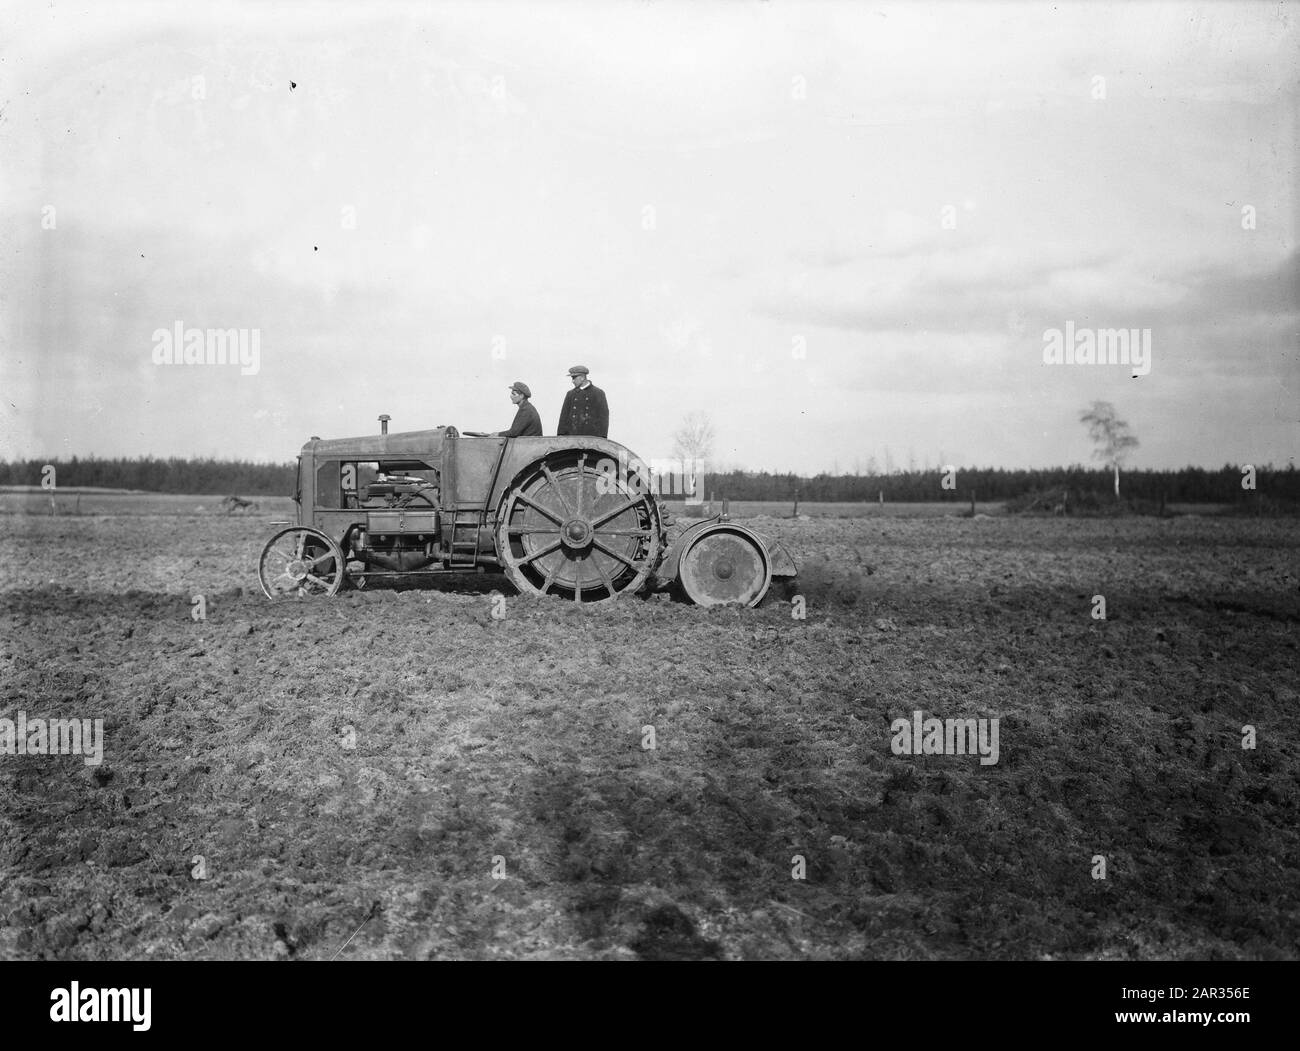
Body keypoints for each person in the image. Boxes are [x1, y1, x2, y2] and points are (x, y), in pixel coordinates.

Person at [556, 365, 609, 438]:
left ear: (582, 378)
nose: (572, 381)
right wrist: (560, 435)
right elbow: (563, 417)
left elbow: (603, 419)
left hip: (591, 439)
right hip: (572, 438)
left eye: (574, 378)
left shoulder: (598, 393)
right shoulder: (570, 394)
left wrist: (602, 438)